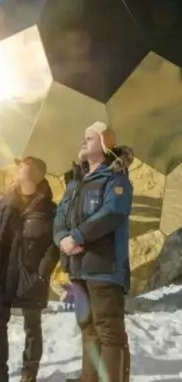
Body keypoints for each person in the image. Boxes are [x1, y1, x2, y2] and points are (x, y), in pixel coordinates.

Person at [53, 121, 133, 382]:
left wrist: (77, 236)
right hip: (78, 269)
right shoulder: (75, 184)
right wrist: (62, 238)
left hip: (104, 268)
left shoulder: (115, 179)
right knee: (87, 328)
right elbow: (60, 217)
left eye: (89, 137)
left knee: (108, 330)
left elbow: (112, 213)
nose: (82, 141)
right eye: (83, 136)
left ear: (104, 144)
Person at [0, 156, 60, 382]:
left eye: (25, 165)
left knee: (32, 326)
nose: (19, 168)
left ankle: (29, 375)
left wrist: (42, 272)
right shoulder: (5, 202)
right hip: (2, 272)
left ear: (37, 173)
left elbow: (55, 245)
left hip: (30, 276)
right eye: (19, 165)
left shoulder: (50, 209)